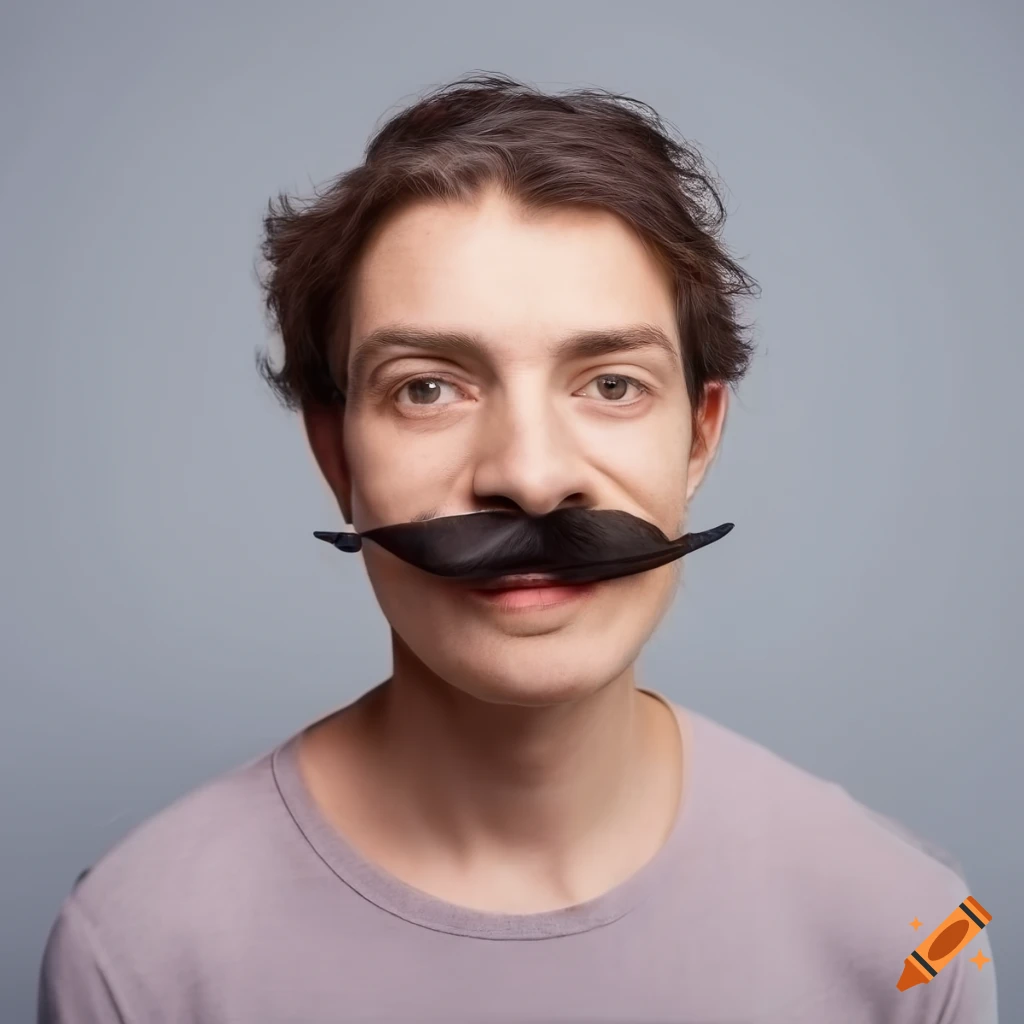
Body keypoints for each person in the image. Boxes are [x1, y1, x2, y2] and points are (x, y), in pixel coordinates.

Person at [38, 72, 998, 1023]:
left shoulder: (912, 935)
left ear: (700, 437)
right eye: (428, 388)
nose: (532, 478)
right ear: (336, 452)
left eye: (613, 384)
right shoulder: (139, 954)